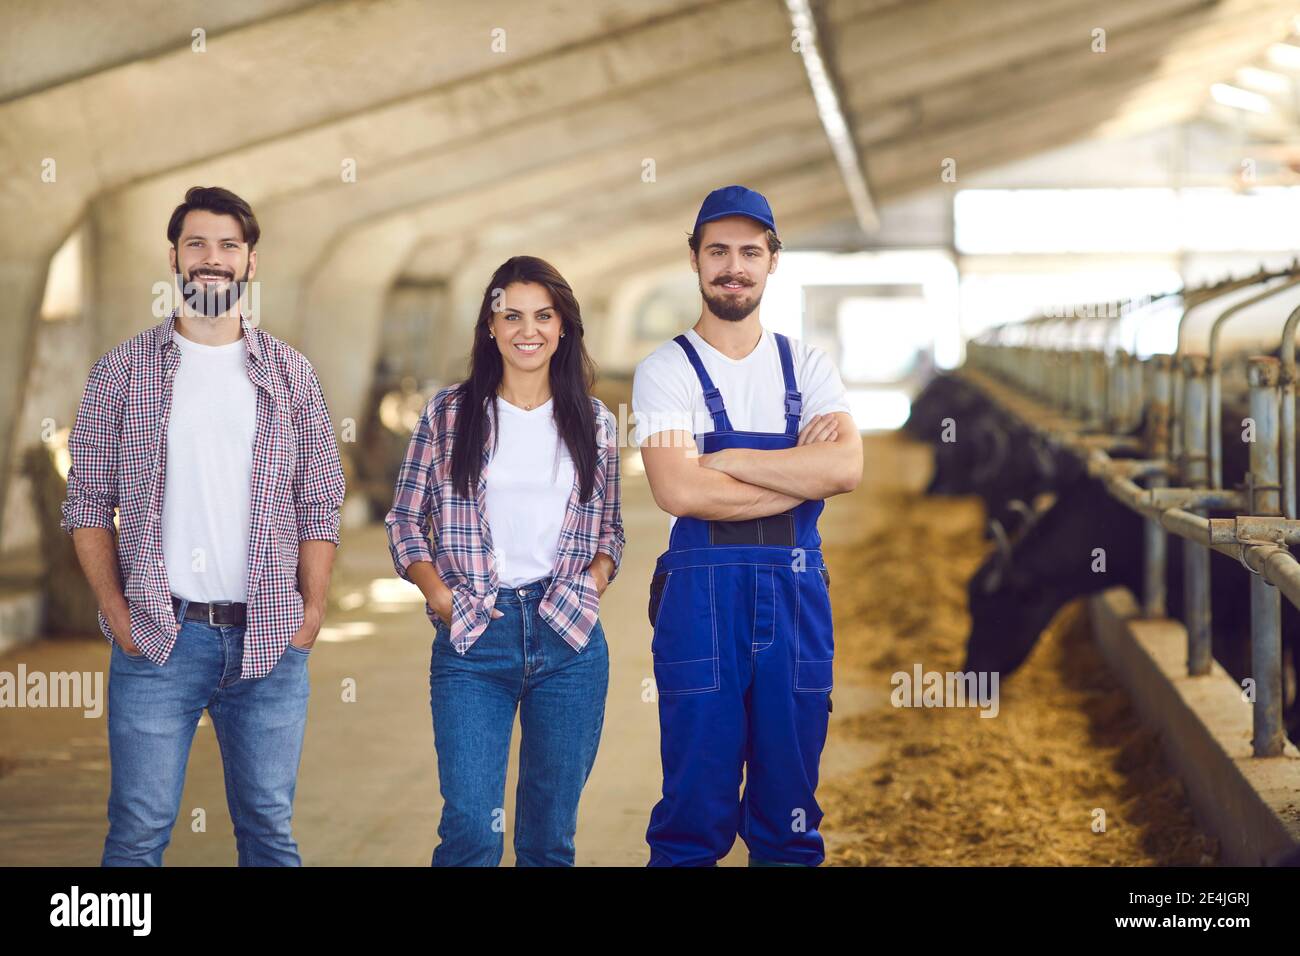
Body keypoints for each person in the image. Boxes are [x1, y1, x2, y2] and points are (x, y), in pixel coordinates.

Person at [61, 185, 346, 866]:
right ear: (174, 257)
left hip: (271, 638)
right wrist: (115, 611)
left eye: (227, 246)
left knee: (270, 833)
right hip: (160, 636)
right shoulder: (121, 372)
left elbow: (320, 497)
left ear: (250, 262)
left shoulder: (291, 374)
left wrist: (312, 610)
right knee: (136, 833)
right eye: (197, 245)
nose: (211, 259)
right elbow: (86, 501)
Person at [632, 184, 863, 866]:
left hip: (796, 597)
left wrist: (726, 462)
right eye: (718, 251)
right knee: (692, 812)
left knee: (790, 814)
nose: (733, 266)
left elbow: (846, 468)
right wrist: (798, 469)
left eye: (750, 252)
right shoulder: (665, 369)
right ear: (695, 259)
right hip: (701, 605)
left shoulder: (808, 364)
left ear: (772, 261)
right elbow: (677, 489)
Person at [385, 255, 624, 866]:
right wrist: (439, 595)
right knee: (471, 830)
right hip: (473, 639)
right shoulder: (449, 414)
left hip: (567, 640)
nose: (528, 330)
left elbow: (611, 532)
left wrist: (592, 583)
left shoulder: (593, 422)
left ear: (564, 326)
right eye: (511, 315)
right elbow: (406, 520)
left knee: (549, 839)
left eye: (544, 316)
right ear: (489, 325)